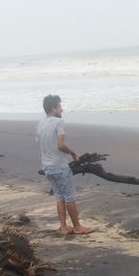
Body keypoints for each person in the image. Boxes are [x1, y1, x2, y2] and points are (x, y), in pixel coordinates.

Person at [36, 95, 92, 235]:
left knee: (59, 197)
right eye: (60, 107)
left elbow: (41, 143)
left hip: (47, 166)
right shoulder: (58, 122)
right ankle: (77, 227)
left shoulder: (40, 123)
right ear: (53, 108)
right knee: (69, 197)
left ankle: (63, 227)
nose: (62, 109)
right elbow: (60, 145)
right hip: (59, 165)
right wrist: (73, 153)